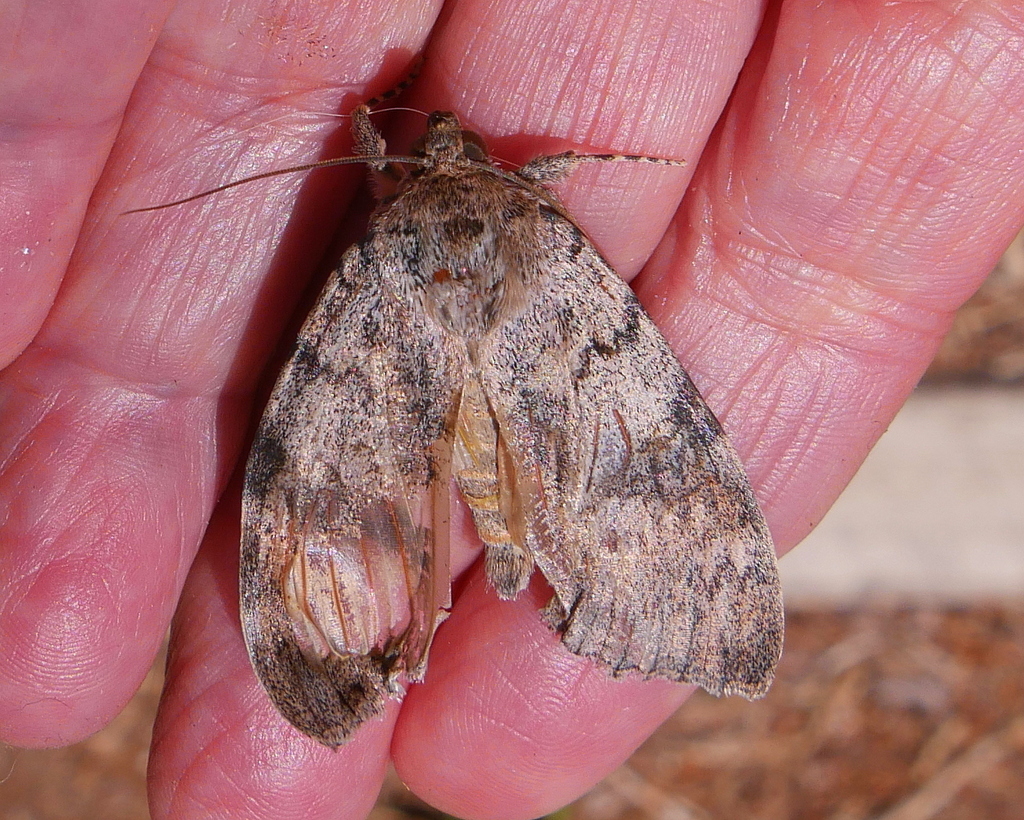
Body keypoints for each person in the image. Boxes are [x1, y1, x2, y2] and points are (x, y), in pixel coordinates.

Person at [2, 1, 1021, 818]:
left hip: (377, 320)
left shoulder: (384, 225)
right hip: (554, 311)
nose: (447, 137)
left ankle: (399, 629)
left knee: (326, 474)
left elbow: (369, 141)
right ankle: (441, 619)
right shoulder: (538, 211)